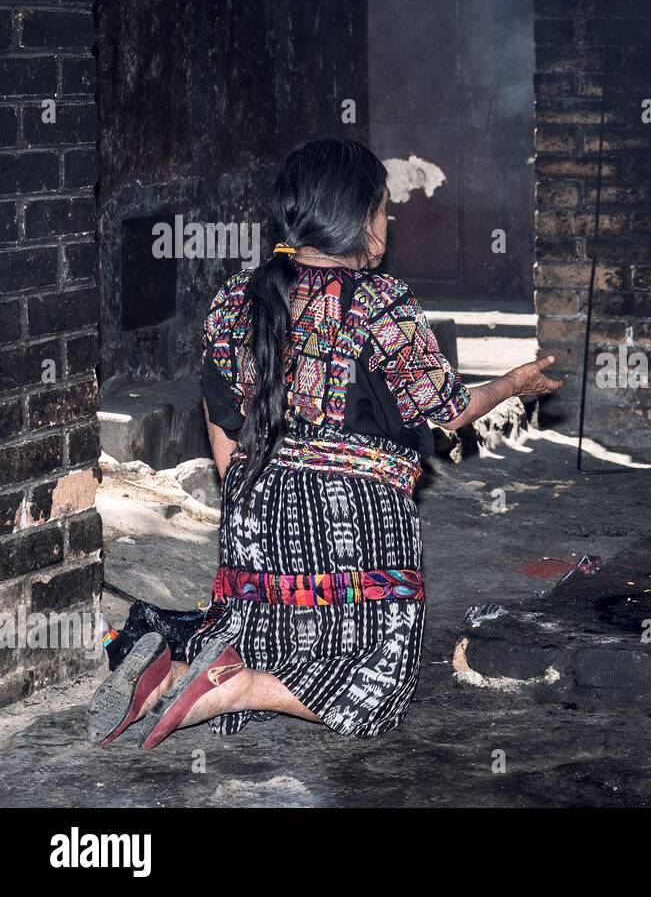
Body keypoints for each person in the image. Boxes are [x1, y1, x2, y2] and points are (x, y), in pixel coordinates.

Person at [87, 138, 562, 749]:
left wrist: (240, 506)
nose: (388, 221)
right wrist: (514, 384)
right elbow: (447, 411)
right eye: (384, 208)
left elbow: (220, 409)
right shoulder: (381, 305)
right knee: (376, 690)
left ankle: (170, 678)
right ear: (361, 219)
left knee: (277, 642)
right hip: (355, 522)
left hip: (257, 514)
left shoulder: (239, 297)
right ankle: (237, 688)